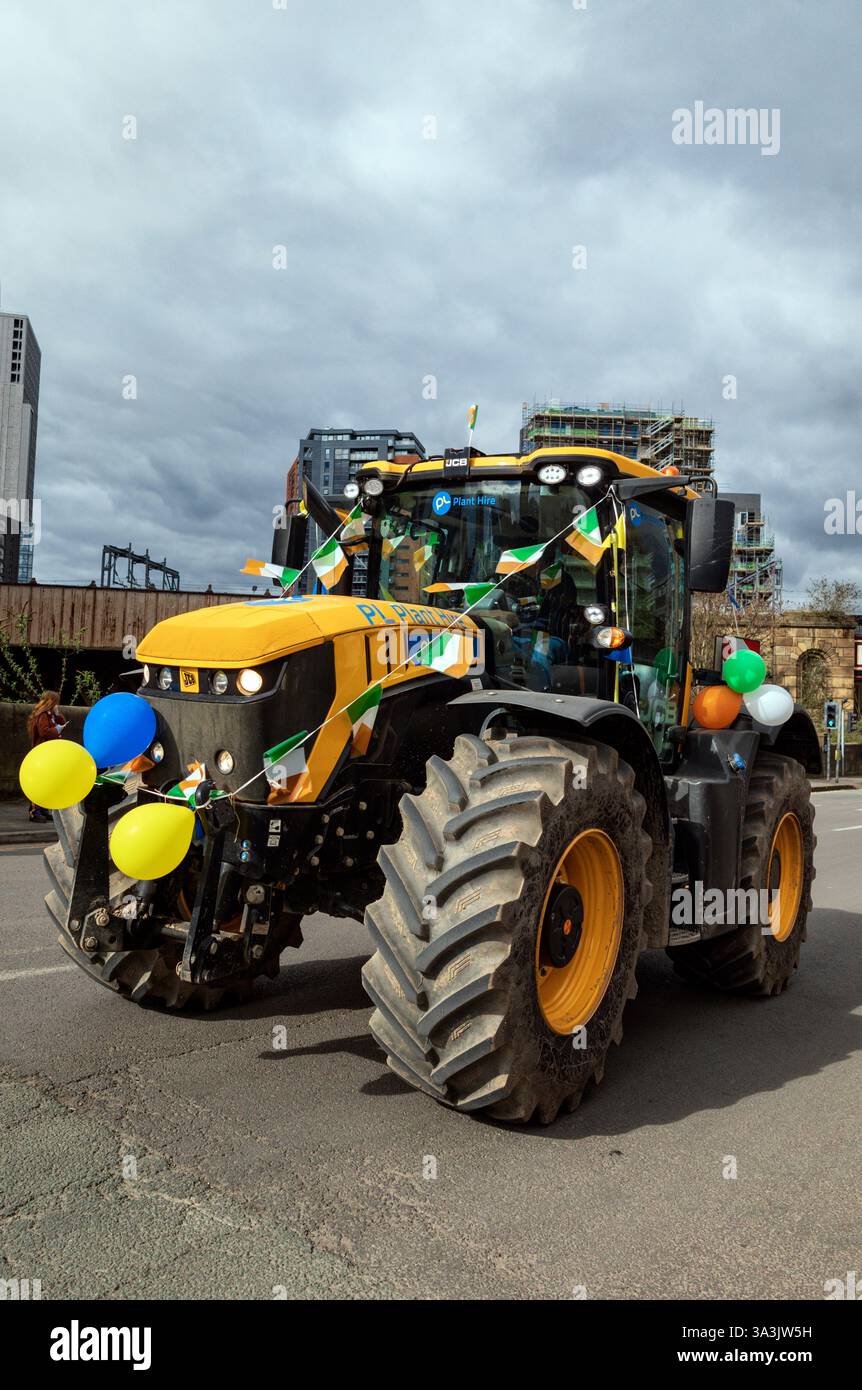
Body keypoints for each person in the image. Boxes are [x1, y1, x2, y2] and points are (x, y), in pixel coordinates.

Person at [26, 691, 67, 822]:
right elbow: (44, 732)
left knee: (47, 781)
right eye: (56, 703)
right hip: (42, 752)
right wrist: (58, 730)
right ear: (51, 702)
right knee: (40, 782)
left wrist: (58, 714)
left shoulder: (50, 715)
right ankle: (34, 811)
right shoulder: (42, 715)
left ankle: (42, 808)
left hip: (49, 752)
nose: (57, 705)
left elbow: (61, 722)